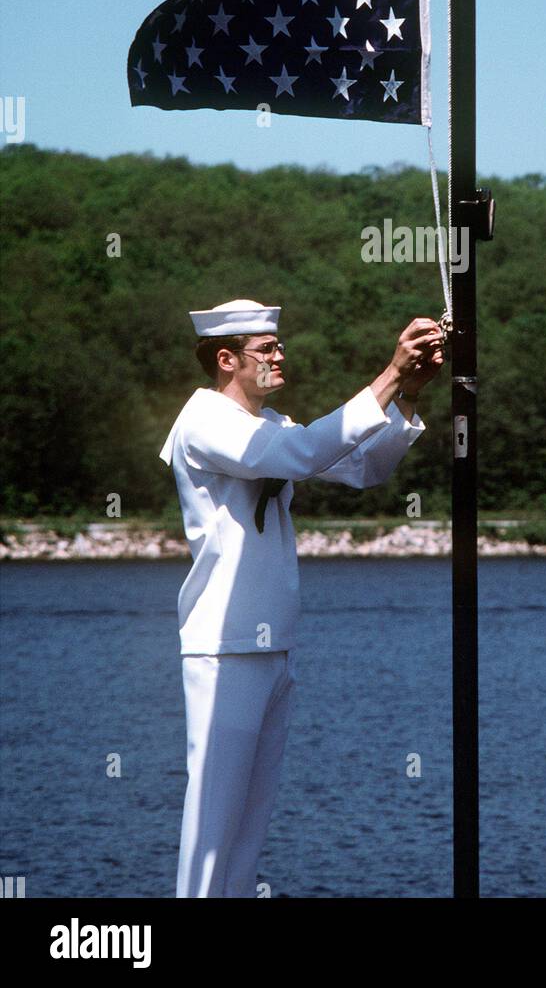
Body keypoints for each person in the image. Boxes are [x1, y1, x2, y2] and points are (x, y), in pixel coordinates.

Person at [160, 298, 444, 898]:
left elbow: (363, 469)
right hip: (223, 647)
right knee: (212, 828)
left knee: (247, 829)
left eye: (279, 344)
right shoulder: (206, 421)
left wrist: (408, 395)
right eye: (267, 349)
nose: (280, 355)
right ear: (225, 358)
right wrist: (388, 374)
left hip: (273, 643)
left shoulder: (272, 426)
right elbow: (307, 453)